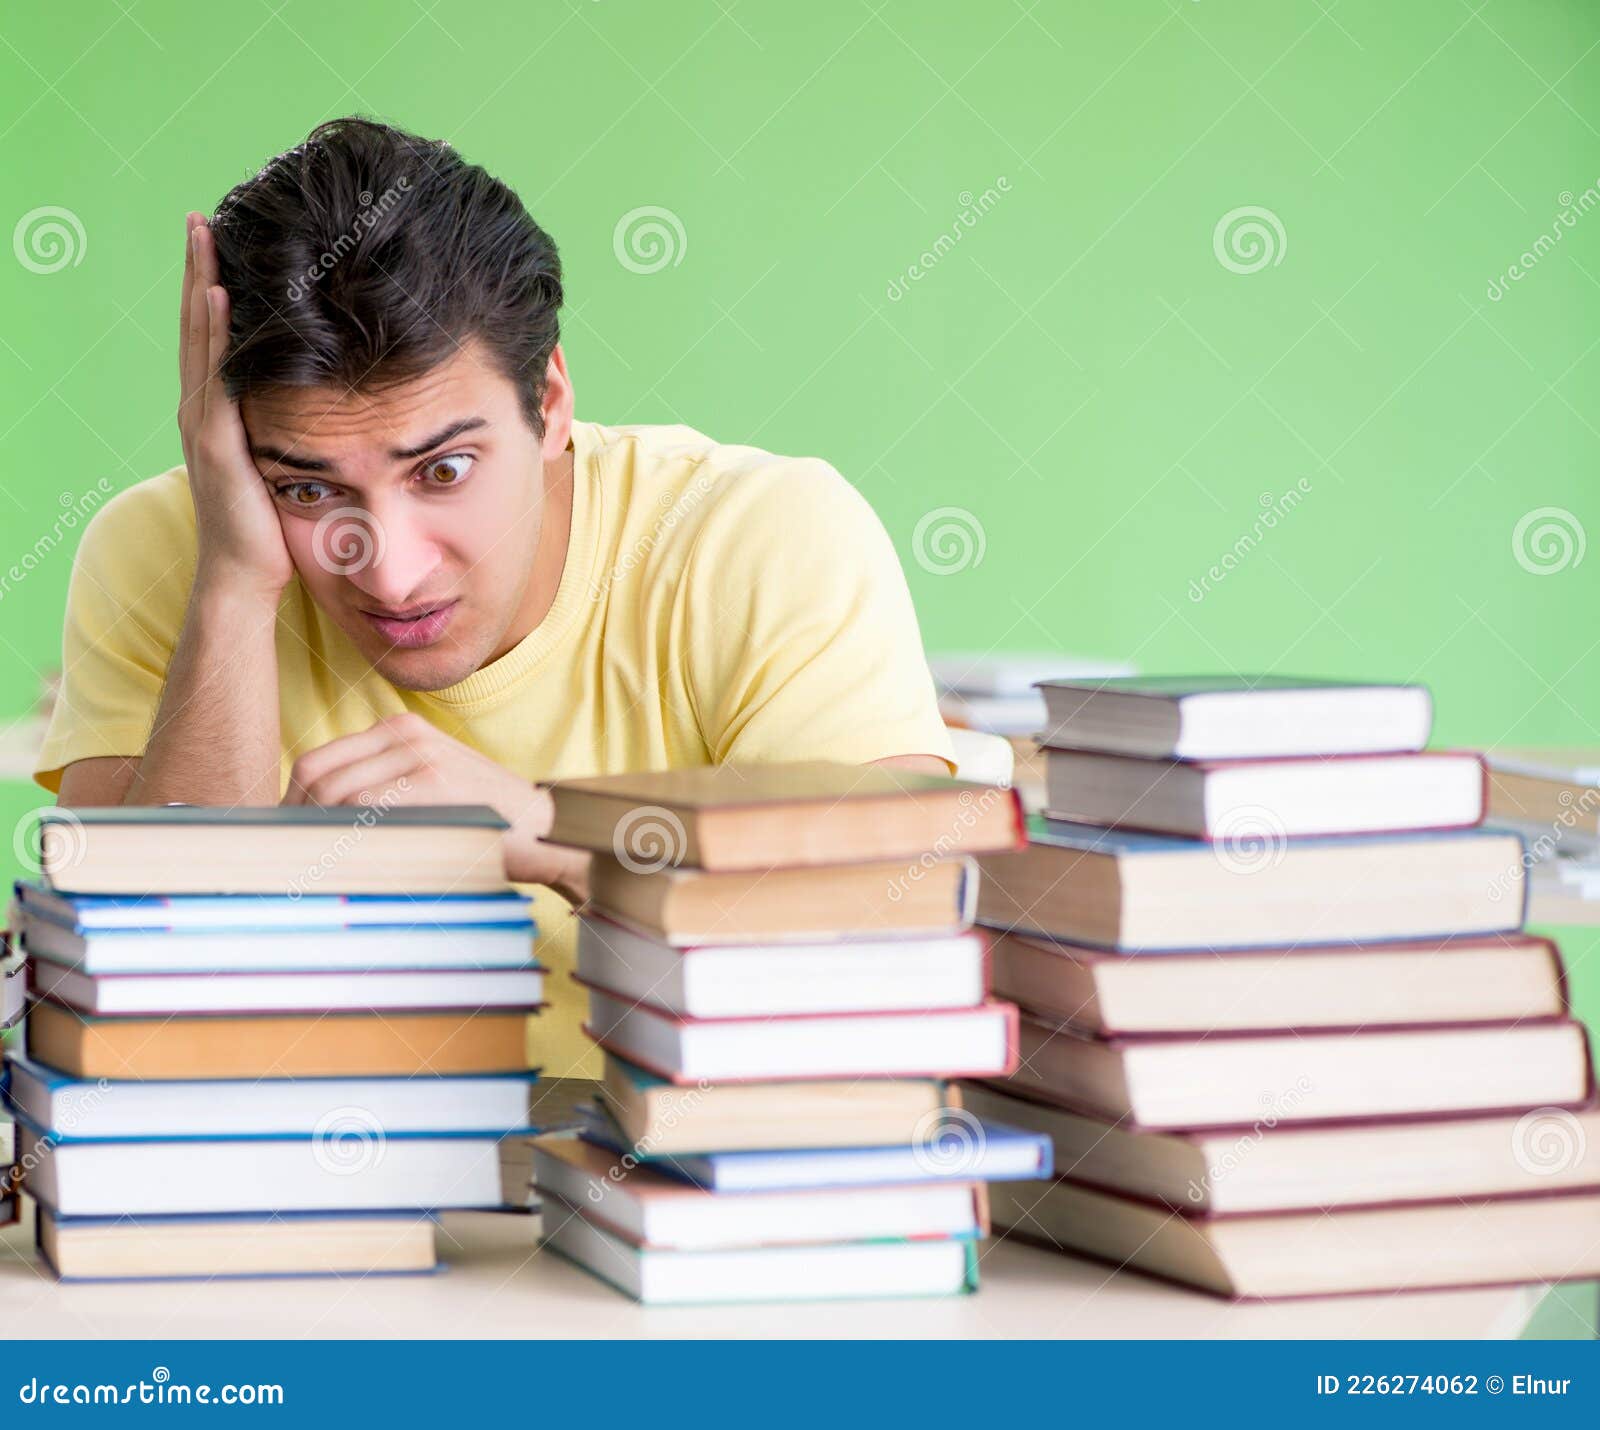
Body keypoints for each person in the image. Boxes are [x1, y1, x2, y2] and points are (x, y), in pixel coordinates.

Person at [34, 116, 955, 1075]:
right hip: (333, 1205)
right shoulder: (173, 550)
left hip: (679, 1196)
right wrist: (232, 580)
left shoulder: (761, 537)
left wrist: (555, 837)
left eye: (443, 471)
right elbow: (139, 1038)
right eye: (307, 488)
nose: (389, 572)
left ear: (550, 406)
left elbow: (879, 960)